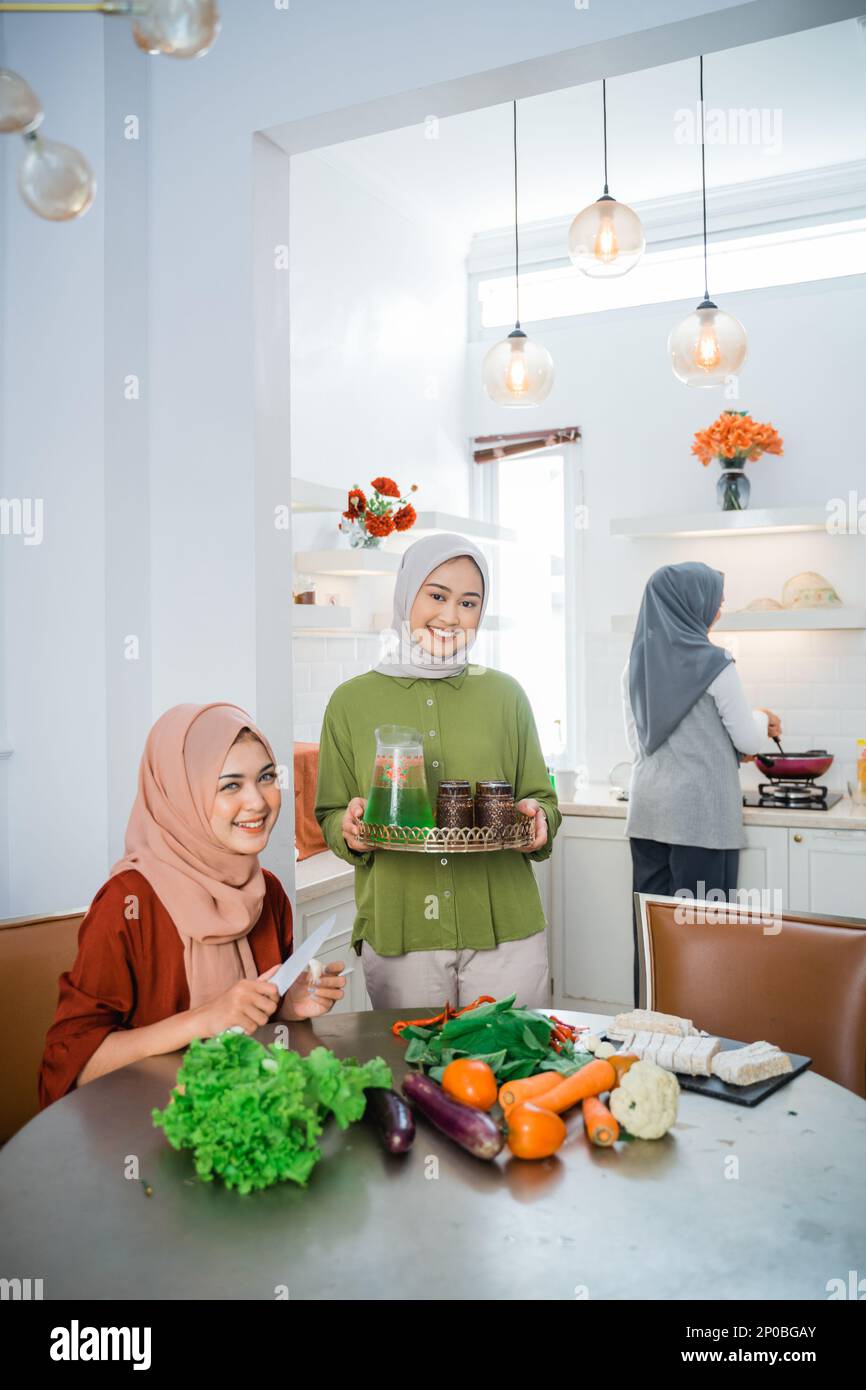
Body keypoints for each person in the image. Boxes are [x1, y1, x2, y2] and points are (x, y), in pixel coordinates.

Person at [38, 702, 345, 1108]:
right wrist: (205, 1018)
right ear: (179, 796)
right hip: (142, 1130)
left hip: (246, 1115)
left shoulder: (267, 892)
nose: (258, 801)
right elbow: (73, 1066)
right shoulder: (128, 904)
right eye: (230, 785)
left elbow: (255, 1028)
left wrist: (288, 1004)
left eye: (267, 777)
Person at [314, 532, 561, 1010]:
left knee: (514, 1072)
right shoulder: (350, 702)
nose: (451, 616)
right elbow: (330, 811)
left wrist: (539, 820)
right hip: (402, 930)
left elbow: (541, 797)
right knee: (414, 1075)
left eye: (469, 602)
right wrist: (347, 828)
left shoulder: (506, 695)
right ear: (407, 593)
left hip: (505, 928)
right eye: (437, 595)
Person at [623, 562, 781, 1006]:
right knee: (704, 931)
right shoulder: (715, 663)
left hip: (648, 813)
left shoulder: (635, 665)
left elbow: (638, 744)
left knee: (655, 931)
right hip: (701, 818)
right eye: (715, 599)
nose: (719, 608)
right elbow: (749, 739)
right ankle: (702, 1030)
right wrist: (763, 721)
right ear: (691, 604)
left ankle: (652, 1027)